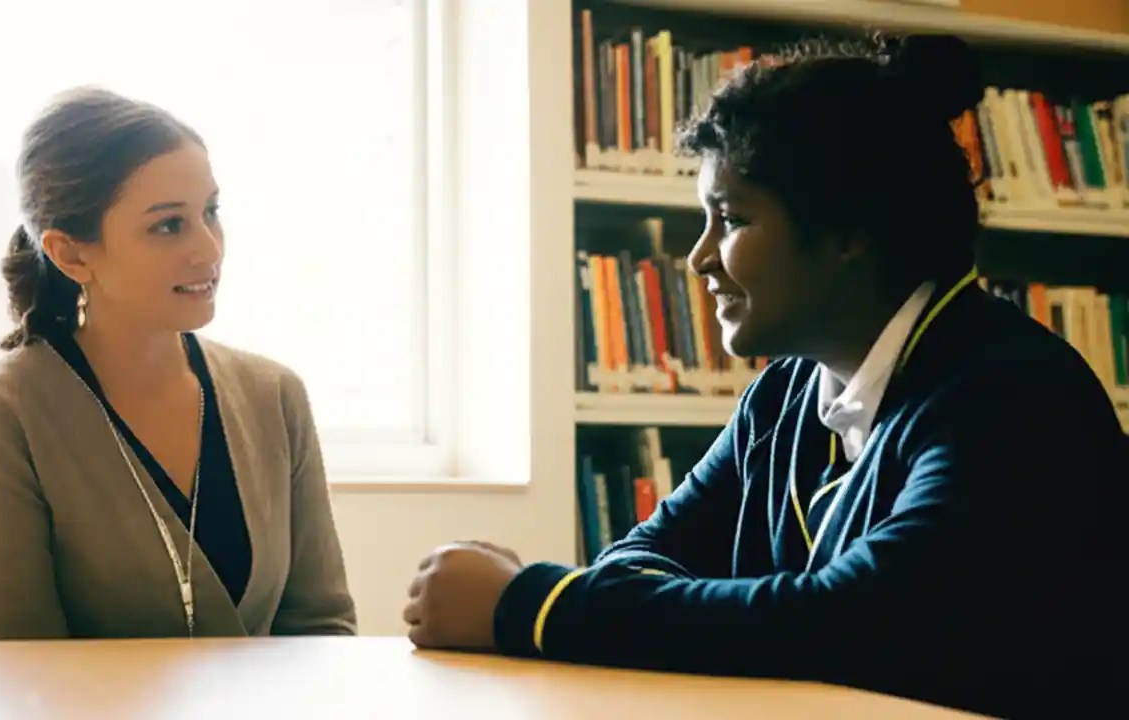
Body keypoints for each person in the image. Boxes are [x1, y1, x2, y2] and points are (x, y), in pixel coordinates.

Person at [402, 34, 1123, 717]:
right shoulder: (781, 397)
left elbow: (854, 624)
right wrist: (717, 616)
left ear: (851, 231)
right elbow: (639, 562)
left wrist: (529, 604)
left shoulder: (1012, 398)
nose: (699, 258)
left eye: (731, 219)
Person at [0, 87, 356, 640]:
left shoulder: (275, 396)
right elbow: (15, 672)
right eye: (168, 225)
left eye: (211, 212)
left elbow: (322, 631)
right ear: (71, 253)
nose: (208, 249)